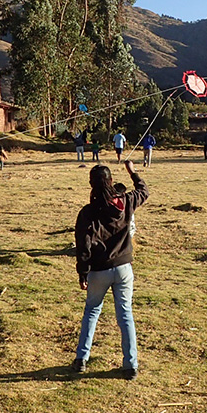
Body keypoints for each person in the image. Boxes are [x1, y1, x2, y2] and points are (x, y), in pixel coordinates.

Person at [73, 161, 148, 380]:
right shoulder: (126, 201)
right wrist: (132, 172)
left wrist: (83, 272)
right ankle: (130, 365)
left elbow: (83, 245)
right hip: (124, 268)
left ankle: (81, 359)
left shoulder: (87, 213)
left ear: (91, 184)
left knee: (92, 311)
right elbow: (144, 191)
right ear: (111, 182)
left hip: (98, 271)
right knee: (125, 315)